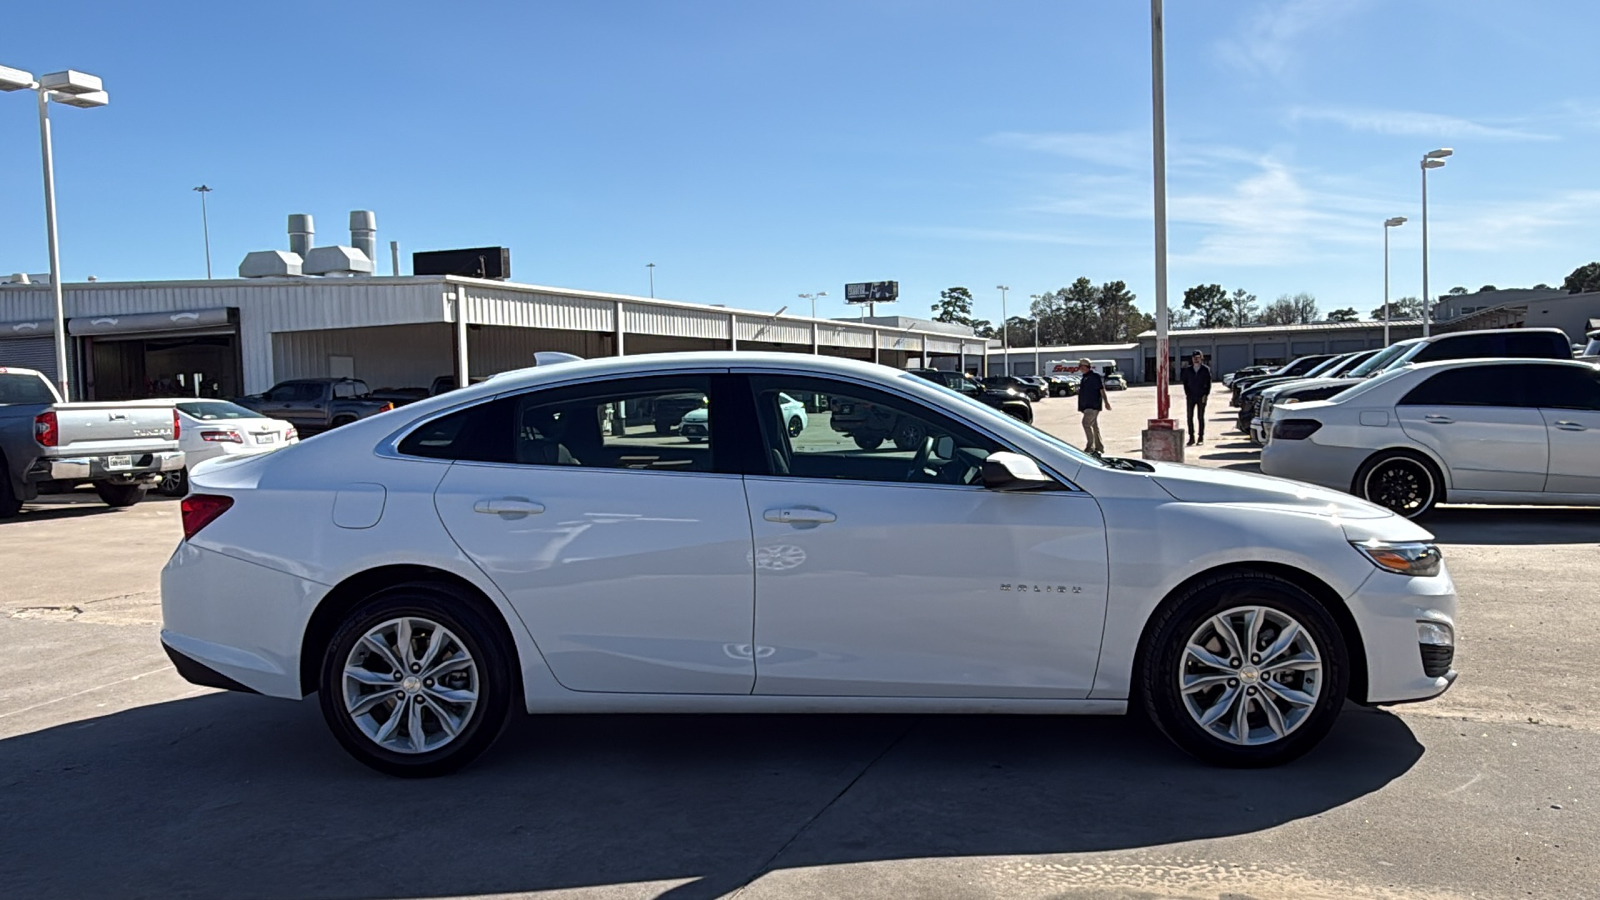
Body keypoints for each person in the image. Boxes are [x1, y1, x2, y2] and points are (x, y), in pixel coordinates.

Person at [1077, 357, 1110, 455]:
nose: (1079, 368)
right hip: (1086, 407)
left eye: (1081, 366)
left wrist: (1106, 402)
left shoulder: (1095, 377)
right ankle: (1099, 447)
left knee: (1086, 424)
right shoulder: (1084, 378)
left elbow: (1101, 389)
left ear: (1086, 366)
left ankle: (1090, 447)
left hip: (1093, 406)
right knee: (1094, 426)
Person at [1180, 351, 1212, 445]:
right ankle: (1191, 438)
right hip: (1191, 397)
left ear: (1201, 358)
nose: (1196, 359)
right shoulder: (1188, 370)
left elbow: (1209, 383)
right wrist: (1187, 394)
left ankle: (1200, 437)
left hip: (1201, 396)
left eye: (1198, 357)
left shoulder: (1205, 369)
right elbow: (1185, 383)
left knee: (1200, 417)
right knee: (1189, 417)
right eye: (1194, 358)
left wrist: (1205, 395)